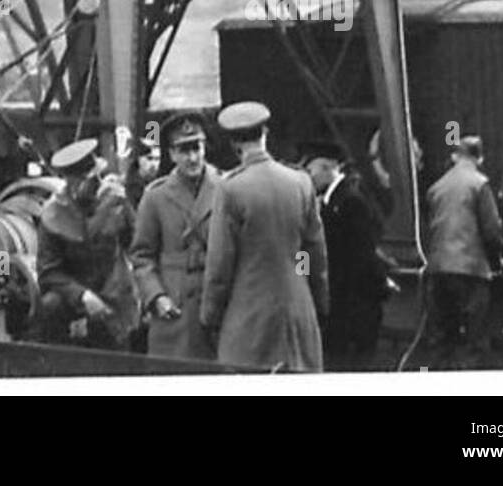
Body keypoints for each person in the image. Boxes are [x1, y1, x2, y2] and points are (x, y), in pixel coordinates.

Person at [201, 101, 329, 372]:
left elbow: (221, 265)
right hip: (298, 310)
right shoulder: (300, 182)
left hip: (248, 316)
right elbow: (311, 252)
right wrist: (312, 296)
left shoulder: (231, 188)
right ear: (265, 133)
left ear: (234, 143)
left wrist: (209, 316)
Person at [130, 112, 221, 361]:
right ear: (171, 154)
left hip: (216, 305)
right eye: (183, 151)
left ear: (205, 149)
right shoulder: (155, 197)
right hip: (174, 308)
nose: (192, 158)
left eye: (196, 148)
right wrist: (156, 296)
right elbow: (141, 256)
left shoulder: (225, 189)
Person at [34, 138, 139, 349]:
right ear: (74, 183)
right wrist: (82, 296)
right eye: (93, 179)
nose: (100, 182)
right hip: (73, 297)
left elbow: (138, 247)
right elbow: (48, 272)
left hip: (114, 292)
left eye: (100, 175)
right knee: (50, 305)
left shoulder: (116, 201)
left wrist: (125, 207)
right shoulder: (53, 214)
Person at [302, 137, 391, 370]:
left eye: (311, 170)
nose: (308, 177)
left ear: (327, 168)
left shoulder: (350, 202)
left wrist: (379, 283)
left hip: (354, 309)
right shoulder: (337, 200)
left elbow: (362, 255)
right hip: (345, 307)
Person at [423, 135, 503, 369]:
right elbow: (492, 231)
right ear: (480, 158)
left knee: (441, 342)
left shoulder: (436, 188)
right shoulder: (480, 184)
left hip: (437, 272)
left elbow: (430, 230)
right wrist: (496, 262)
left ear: (454, 157)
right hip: (470, 272)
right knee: (471, 342)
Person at [125, 136, 161, 211]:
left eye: (157, 159)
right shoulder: (127, 188)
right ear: (139, 159)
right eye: (149, 158)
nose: (154, 164)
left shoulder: (161, 184)